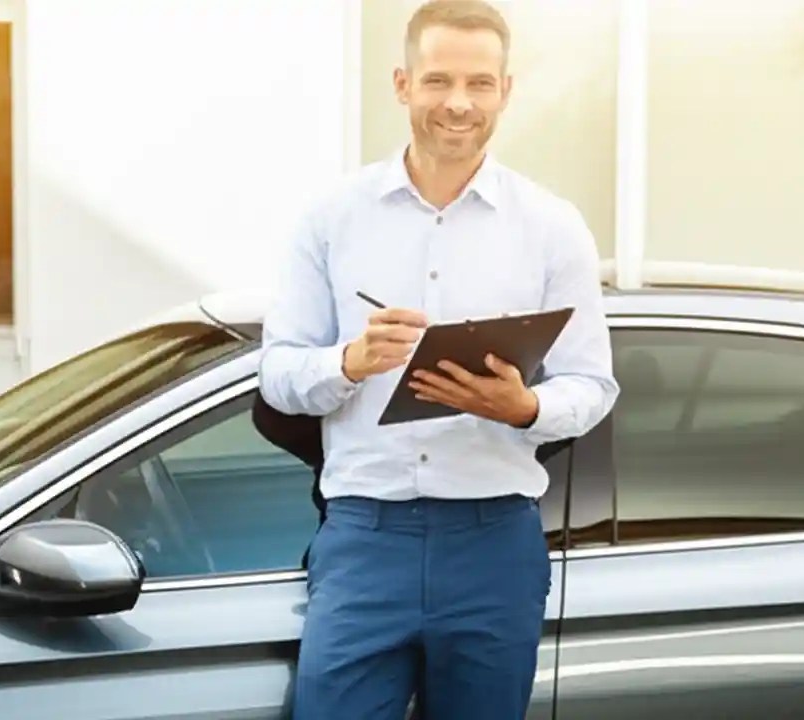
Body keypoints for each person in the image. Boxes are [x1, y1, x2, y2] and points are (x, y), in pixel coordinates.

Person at [257, 1, 619, 717]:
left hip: (495, 544)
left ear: (505, 92)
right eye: (438, 80)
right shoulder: (331, 218)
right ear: (402, 85)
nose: (459, 103)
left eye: (480, 83)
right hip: (365, 538)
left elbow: (592, 384)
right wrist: (350, 362)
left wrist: (526, 407)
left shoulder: (552, 227)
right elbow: (277, 373)